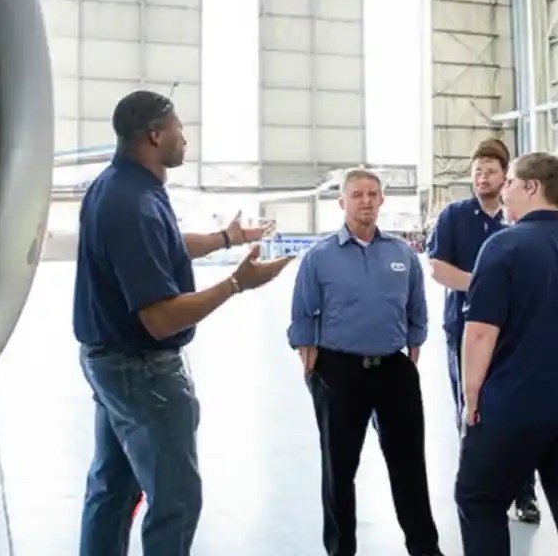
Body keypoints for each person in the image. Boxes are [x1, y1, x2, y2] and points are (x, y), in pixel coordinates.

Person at [74, 90, 295, 556]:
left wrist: (227, 238)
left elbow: (165, 245)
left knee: (113, 488)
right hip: (142, 370)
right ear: (154, 135)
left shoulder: (118, 187)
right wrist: (237, 283)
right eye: (177, 128)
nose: (184, 138)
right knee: (175, 498)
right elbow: (159, 318)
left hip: (109, 361)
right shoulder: (131, 203)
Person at [454, 152, 558, 556]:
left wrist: (471, 398)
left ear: (530, 187)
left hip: (517, 402)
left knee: (480, 498)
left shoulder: (502, 247)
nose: (503, 193)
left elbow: (479, 335)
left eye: (509, 184)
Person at [288, 169, 444, 556]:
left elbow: (416, 306)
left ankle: (425, 548)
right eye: (357, 194)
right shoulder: (320, 257)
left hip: (394, 371)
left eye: (373, 193)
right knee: (339, 471)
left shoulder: (400, 254)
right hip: (339, 372)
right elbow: (303, 313)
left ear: (382, 200)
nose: (366, 201)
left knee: (409, 467)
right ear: (342, 202)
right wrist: (309, 359)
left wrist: (415, 342)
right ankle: (341, 550)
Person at [426, 138, 542, 524]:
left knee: (519, 409)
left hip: (515, 332)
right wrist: (483, 285)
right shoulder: (453, 216)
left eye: (490, 171)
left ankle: (524, 494)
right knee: (470, 408)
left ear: (505, 176)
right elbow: (438, 268)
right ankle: (479, 489)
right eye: (477, 170)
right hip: (464, 328)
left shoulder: (518, 217)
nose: (482, 177)